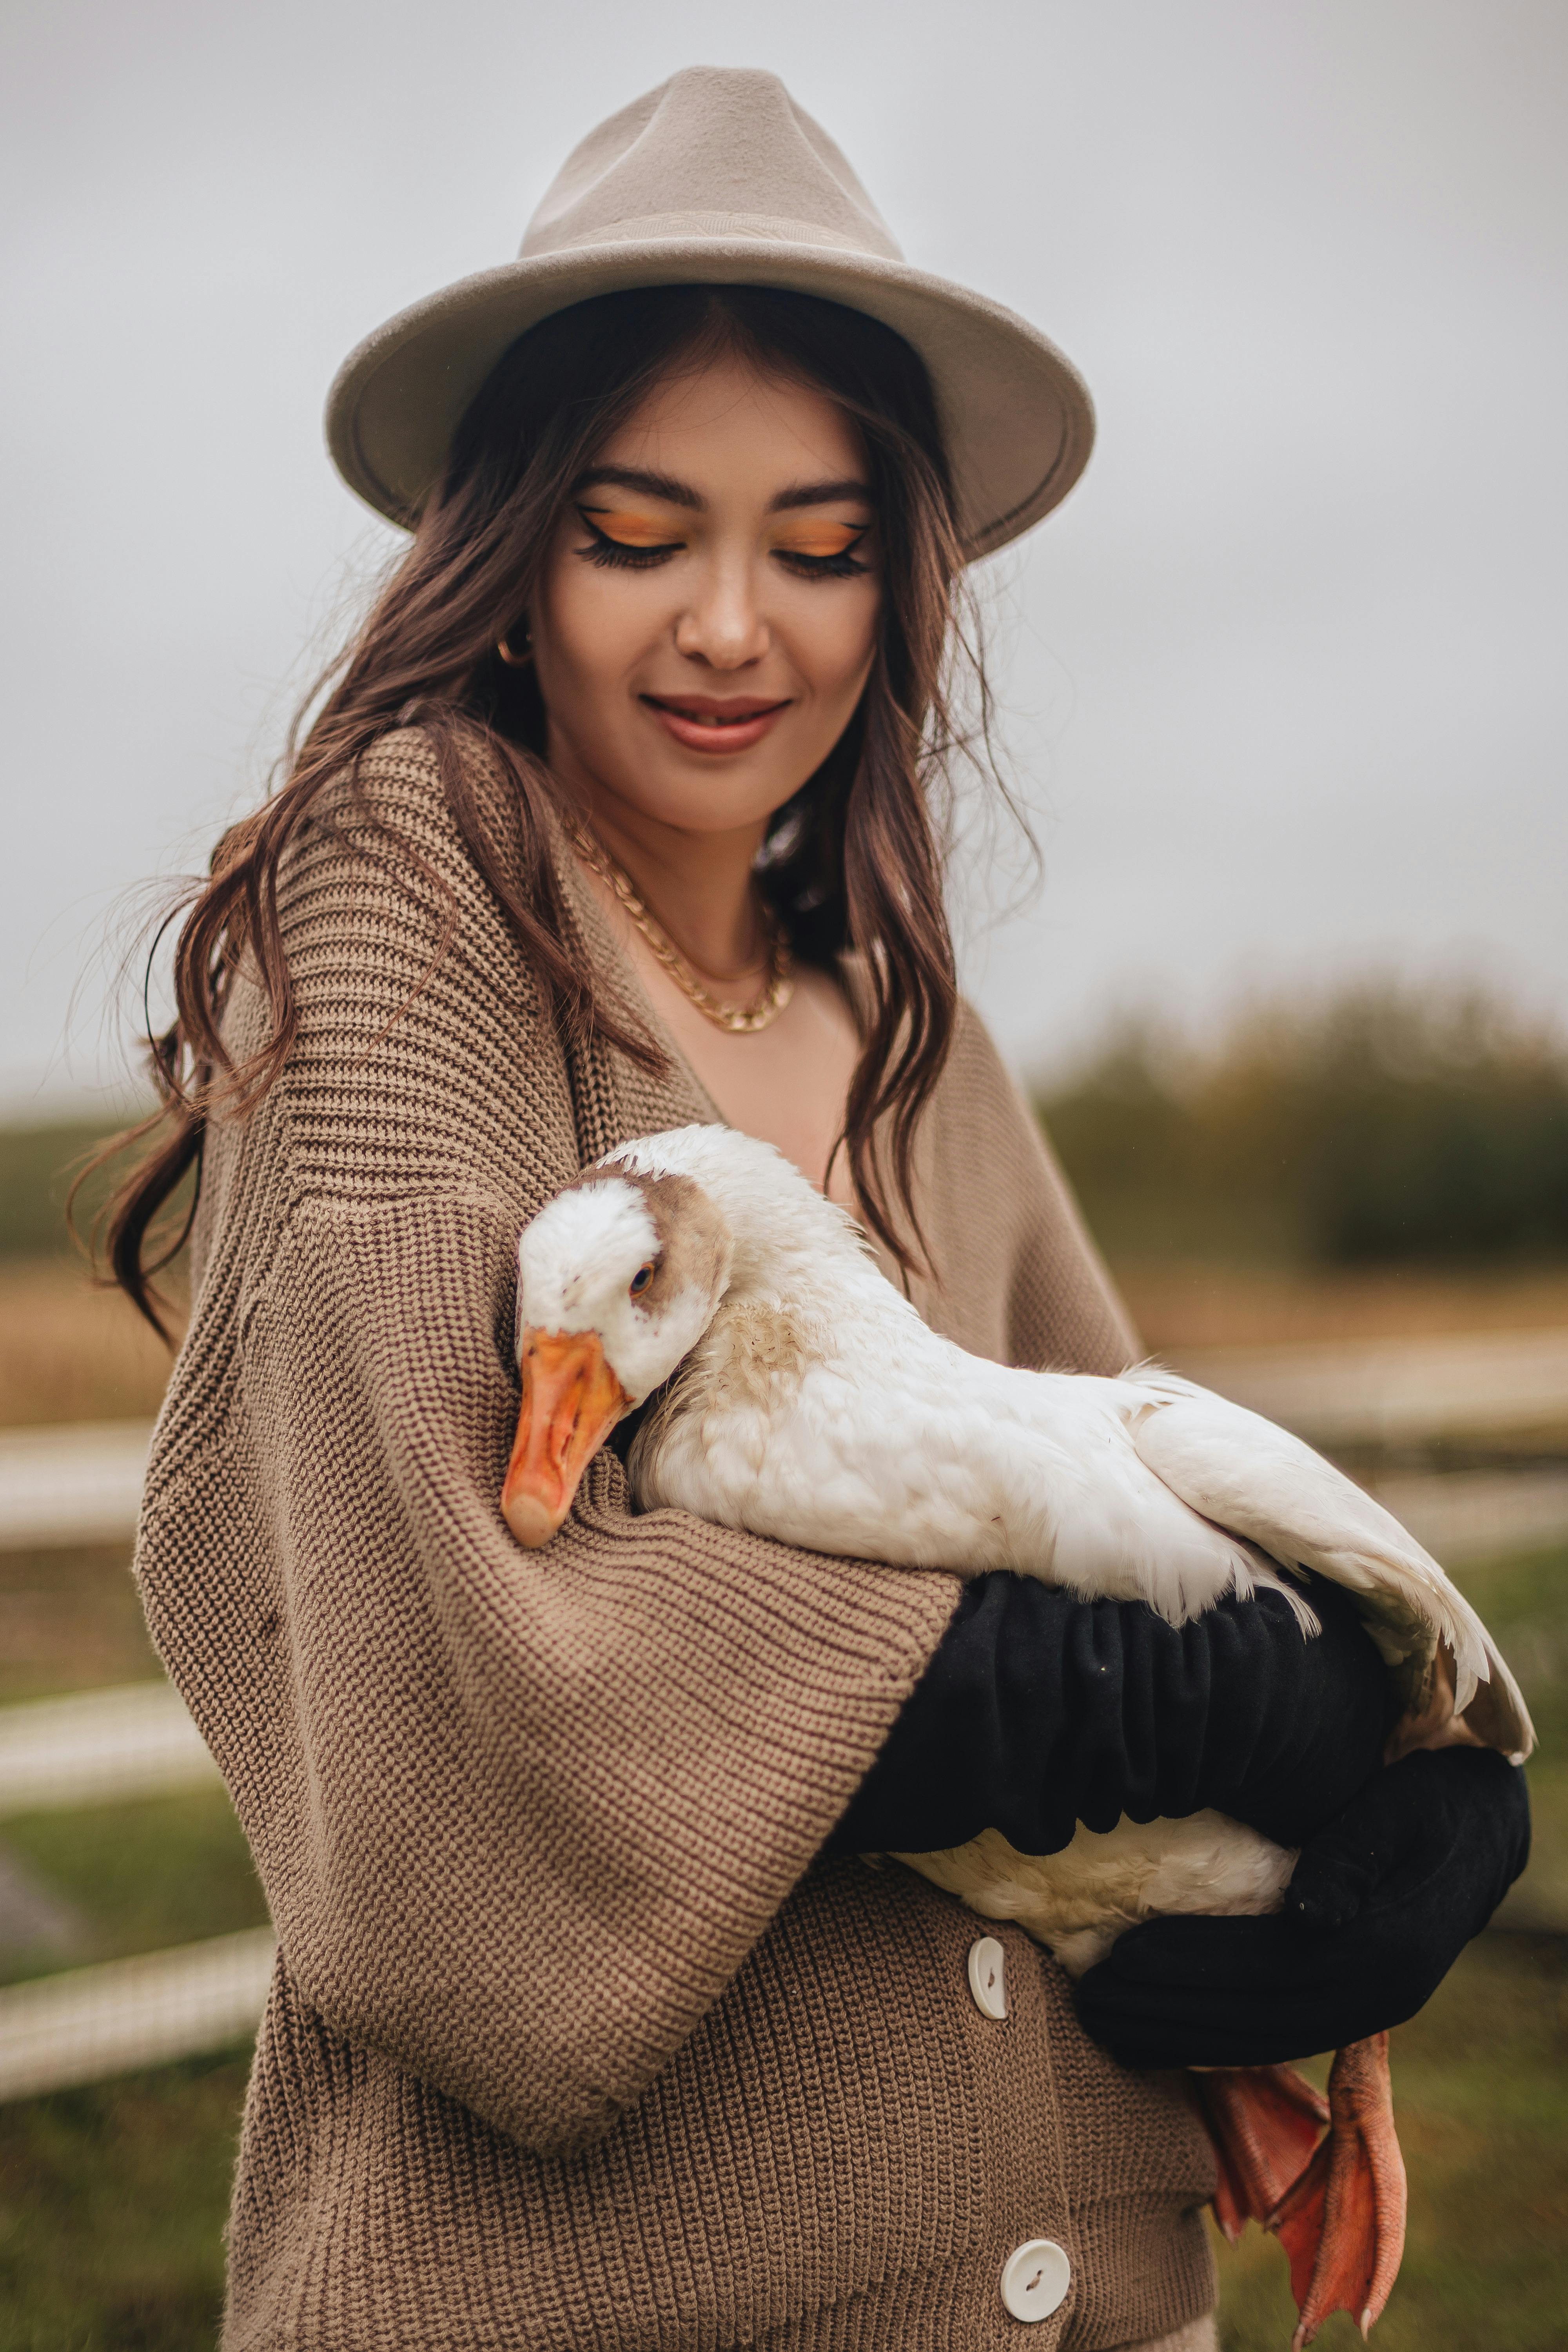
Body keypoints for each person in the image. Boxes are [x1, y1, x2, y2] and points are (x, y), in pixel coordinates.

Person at [106, 67, 1526, 2352]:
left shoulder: (914, 1037)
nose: (732, 625)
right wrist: (1061, 1689)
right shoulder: (415, 883)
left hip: (1096, 2289)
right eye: (639, 530)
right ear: (514, 542)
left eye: (821, 539)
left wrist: (1395, 1794)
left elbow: (1139, 1509)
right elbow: (445, 1693)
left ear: (903, 572)